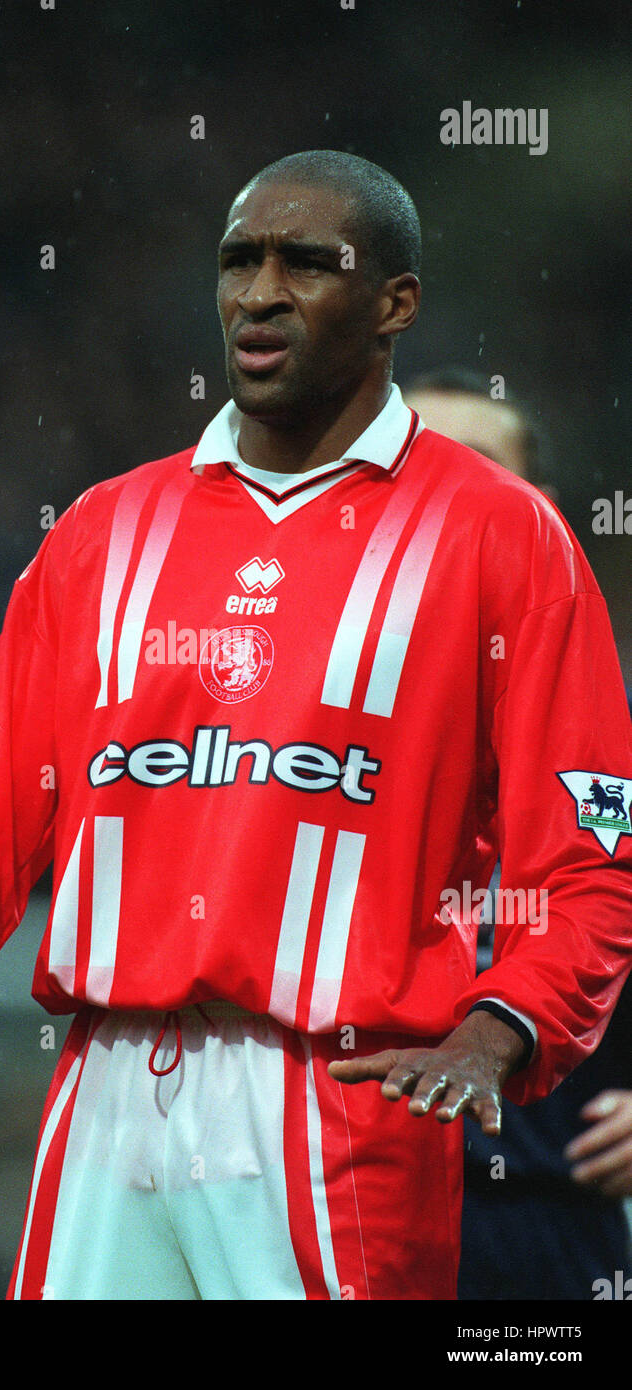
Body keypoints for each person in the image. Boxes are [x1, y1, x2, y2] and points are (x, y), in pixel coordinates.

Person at [0, 150, 632, 1301]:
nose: (258, 292)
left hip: (337, 1100)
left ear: (394, 303)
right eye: (238, 260)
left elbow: (586, 857)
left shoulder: (500, 538)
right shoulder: (103, 529)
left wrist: (500, 1026)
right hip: (103, 1089)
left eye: (303, 263)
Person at [404, 369, 632, 1300]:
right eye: (418, 467)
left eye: (481, 469)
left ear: (541, 514)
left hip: (545, 1227)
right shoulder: (280, 734)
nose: (448, 494)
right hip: (321, 1209)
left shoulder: (614, 737)